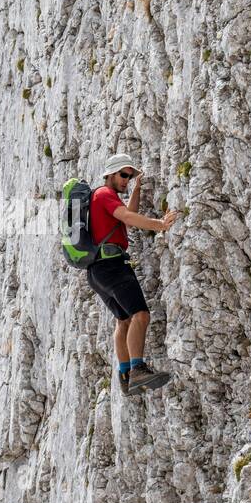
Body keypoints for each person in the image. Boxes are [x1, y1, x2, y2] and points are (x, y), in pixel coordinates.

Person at [87, 153, 177, 395]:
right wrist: (160, 224)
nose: (127, 180)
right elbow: (128, 218)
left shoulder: (102, 199)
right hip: (113, 266)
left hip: (97, 272)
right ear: (111, 174)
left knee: (124, 320)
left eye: (130, 176)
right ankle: (138, 369)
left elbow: (123, 220)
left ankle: (125, 375)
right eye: (124, 175)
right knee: (141, 315)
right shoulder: (104, 194)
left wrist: (136, 190)